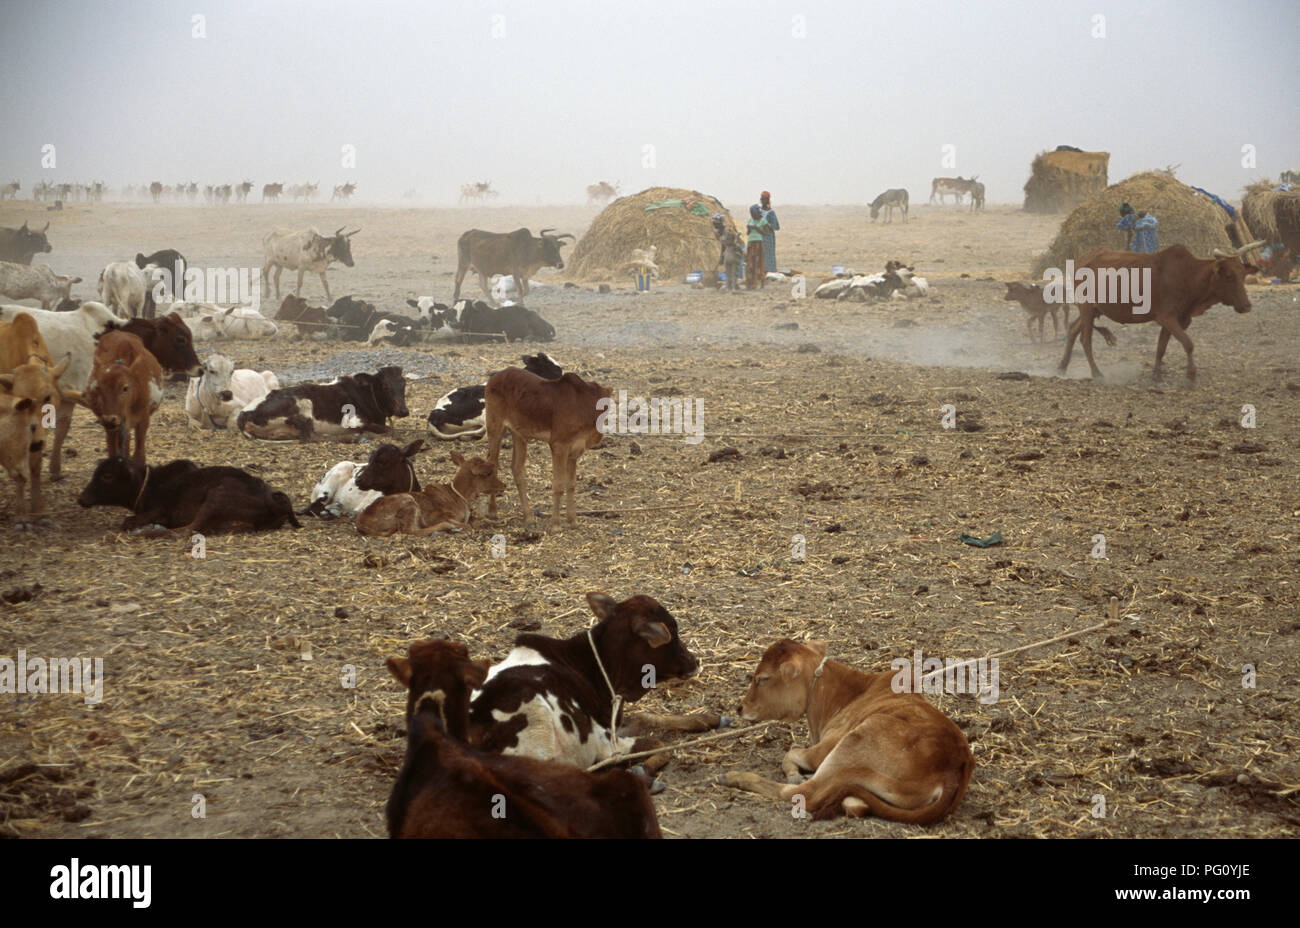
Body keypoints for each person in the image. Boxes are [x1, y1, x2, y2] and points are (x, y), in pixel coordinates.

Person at [745, 205, 770, 289]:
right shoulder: (750, 220)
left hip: (758, 242)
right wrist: (749, 228)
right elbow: (748, 233)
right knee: (750, 263)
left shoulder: (763, 221)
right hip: (751, 242)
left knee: (759, 262)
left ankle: (760, 282)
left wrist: (756, 228)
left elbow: (766, 233)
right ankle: (750, 283)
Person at [759, 191, 780, 272]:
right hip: (759, 236)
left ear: (768, 200)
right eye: (762, 199)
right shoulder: (758, 211)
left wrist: (767, 225)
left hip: (768, 238)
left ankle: (770, 271)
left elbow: (776, 226)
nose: (763, 200)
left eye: (765, 199)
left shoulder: (771, 212)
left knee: (768, 255)